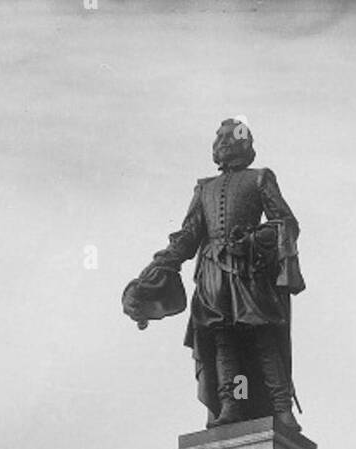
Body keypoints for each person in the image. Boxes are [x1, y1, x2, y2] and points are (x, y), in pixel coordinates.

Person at [123, 119, 304, 431]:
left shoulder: (260, 178)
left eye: (227, 137)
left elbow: (286, 223)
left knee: (262, 337)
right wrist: (160, 265)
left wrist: (253, 238)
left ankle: (281, 408)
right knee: (223, 341)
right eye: (218, 137)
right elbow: (188, 236)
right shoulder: (204, 187)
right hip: (212, 276)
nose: (220, 142)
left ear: (242, 143)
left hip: (248, 272)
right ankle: (231, 405)